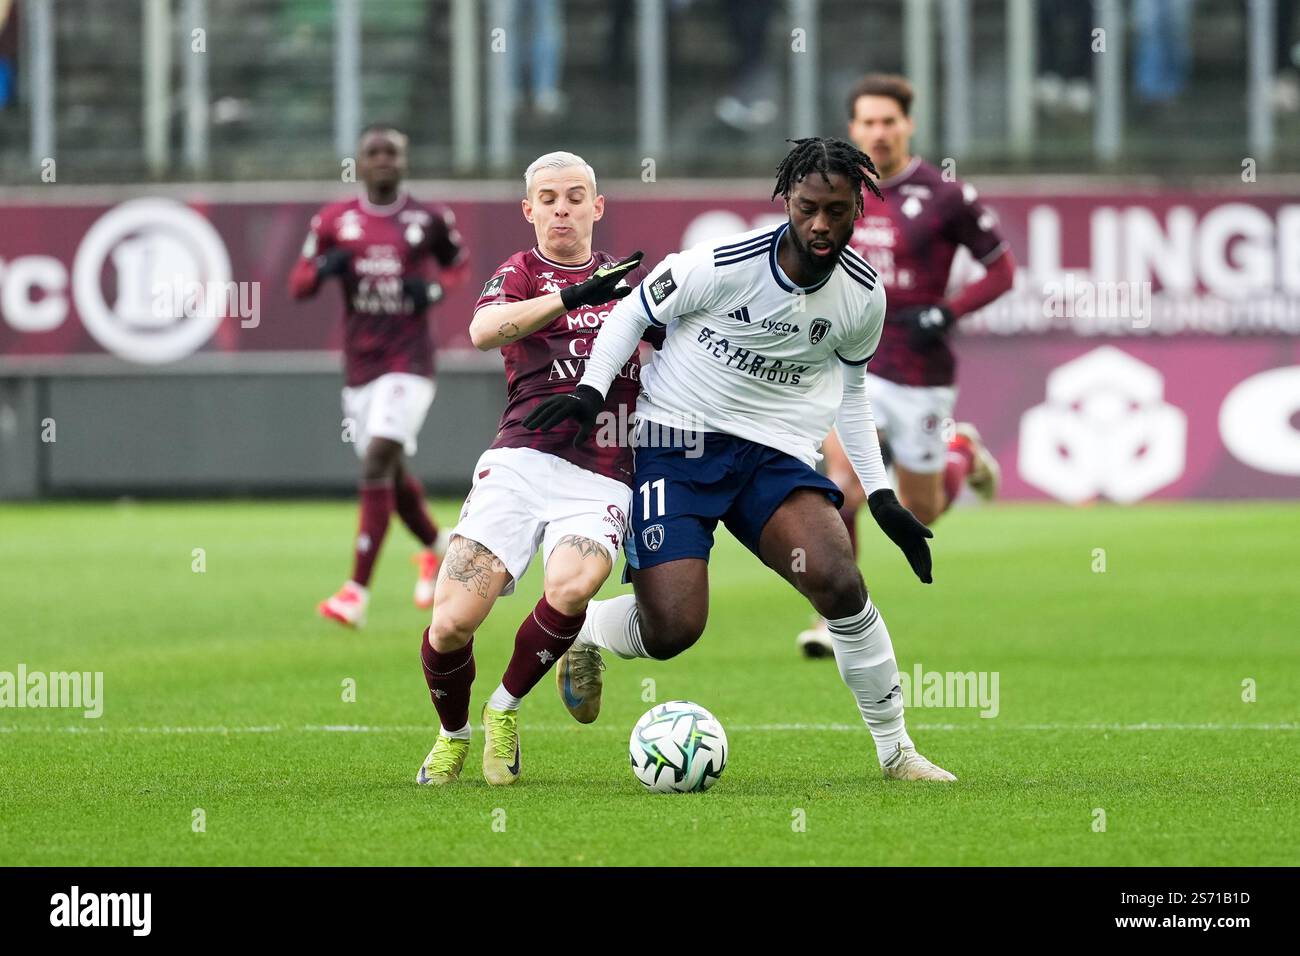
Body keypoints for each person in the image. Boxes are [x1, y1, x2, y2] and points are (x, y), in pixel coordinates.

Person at [526, 137, 956, 782]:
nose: (819, 224)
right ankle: (584, 630)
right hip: (677, 444)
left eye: (835, 211)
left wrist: (884, 495)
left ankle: (897, 753)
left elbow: (854, 394)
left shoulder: (862, 294)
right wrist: (590, 392)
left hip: (774, 454)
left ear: (856, 209)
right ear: (787, 201)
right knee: (673, 629)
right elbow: (630, 313)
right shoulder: (721, 263)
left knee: (840, 582)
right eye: (807, 207)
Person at [414, 151, 650, 787]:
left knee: (572, 586)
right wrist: (571, 296)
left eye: (576, 196)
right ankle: (452, 732)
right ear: (529, 211)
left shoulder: (630, 282)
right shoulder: (519, 271)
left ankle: (504, 709)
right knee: (453, 621)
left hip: (602, 470)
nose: (562, 208)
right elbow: (483, 331)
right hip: (520, 461)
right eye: (548, 198)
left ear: (597, 207)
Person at [797, 74, 1016, 658]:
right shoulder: (833, 190)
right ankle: (836, 618)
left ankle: (960, 452)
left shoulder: (946, 196)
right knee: (840, 491)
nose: (878, 132)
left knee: (920, 511)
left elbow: (1001, 271)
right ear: (853, 128)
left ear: (908, 125)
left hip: (920, 369)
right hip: (846, 364)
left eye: (888, 121)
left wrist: (947, 312)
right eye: (867, 122)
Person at [289, 123, 467, 627]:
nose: (384, 158)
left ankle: (356, 592)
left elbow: (457, 265)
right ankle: (438, 548)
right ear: (359, 163)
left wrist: (433, 291)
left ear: (404, 160)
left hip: (409, 363)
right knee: (388, 472)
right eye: (374, 152)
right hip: (360, 368)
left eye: (393, 151)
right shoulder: (334, 220)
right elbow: (298, 285)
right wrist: (325, 266)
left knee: (376, 461)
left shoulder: (429, 218)